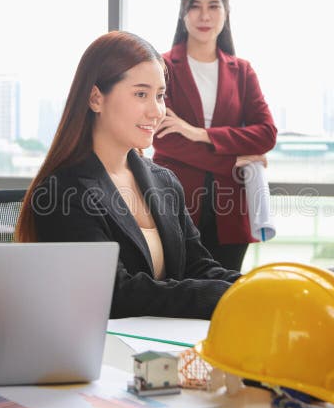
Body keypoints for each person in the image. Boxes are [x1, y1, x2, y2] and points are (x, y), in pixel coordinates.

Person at [14, 31, 240, 319]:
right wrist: (220, 297)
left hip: (158, 345)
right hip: (103, 352)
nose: (156, 111)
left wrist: (254, 287)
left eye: (160, 96)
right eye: (141, 94)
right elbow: (115, 293)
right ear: (96, 98)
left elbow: (196, 265)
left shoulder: (163, 181)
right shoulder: (62, 192)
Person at [153, 0, 277, 272]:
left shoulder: (242, 70)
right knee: (178, 294)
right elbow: (164, 139)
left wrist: (200, 134)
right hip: (176, 201)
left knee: (226, 298)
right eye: (194, 6)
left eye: (213, 6)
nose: (204, 16)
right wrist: (231, 160)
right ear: (183, 14)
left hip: (231, 209)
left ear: (226, 12)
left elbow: (266, 133)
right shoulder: (162, 66)